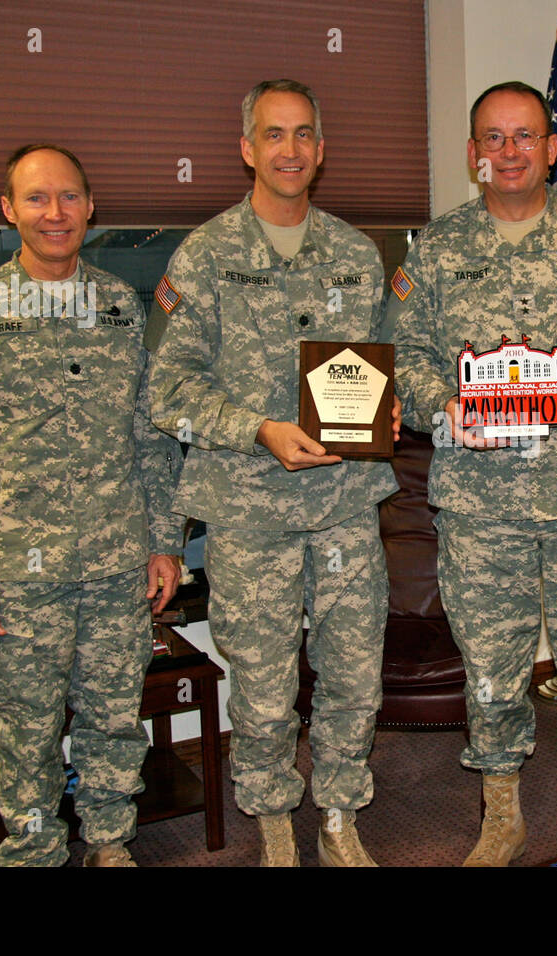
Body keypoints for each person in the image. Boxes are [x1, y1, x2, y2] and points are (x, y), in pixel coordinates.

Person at [387, 81, 557, 866]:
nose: (509, 153)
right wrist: (445, 404)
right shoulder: (435, 251)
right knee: (493, 666)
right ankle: (502, 809)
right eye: (493, 139)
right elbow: (402, 363)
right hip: (483, 502)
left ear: (551, 147)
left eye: (525, 137)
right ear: (474, 154)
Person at [147, 79, 399, 867]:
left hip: (346, 507)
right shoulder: (207, 256)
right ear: (248, 149)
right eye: (273, 135)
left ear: (321, 151)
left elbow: (386, 369)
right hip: (249, 510)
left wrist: (393, 412)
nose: (289, 150)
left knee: (355, 678)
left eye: (303, 135)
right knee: (261, 691)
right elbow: (169, 393)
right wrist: (256, 429)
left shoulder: (359, 256)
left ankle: (339, 814)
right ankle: (274, 825)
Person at [0, 144, 185, 867]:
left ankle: (110, 845)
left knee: (112, 724)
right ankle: (33, 855)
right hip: (15, 579)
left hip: (116, 564)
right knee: (27, 734)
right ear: (9, 211)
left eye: (69, 197)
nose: (55, 212)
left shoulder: (122, 308)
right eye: (37, 199)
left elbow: (150, 440)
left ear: (90, 208)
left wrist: (165, 543)